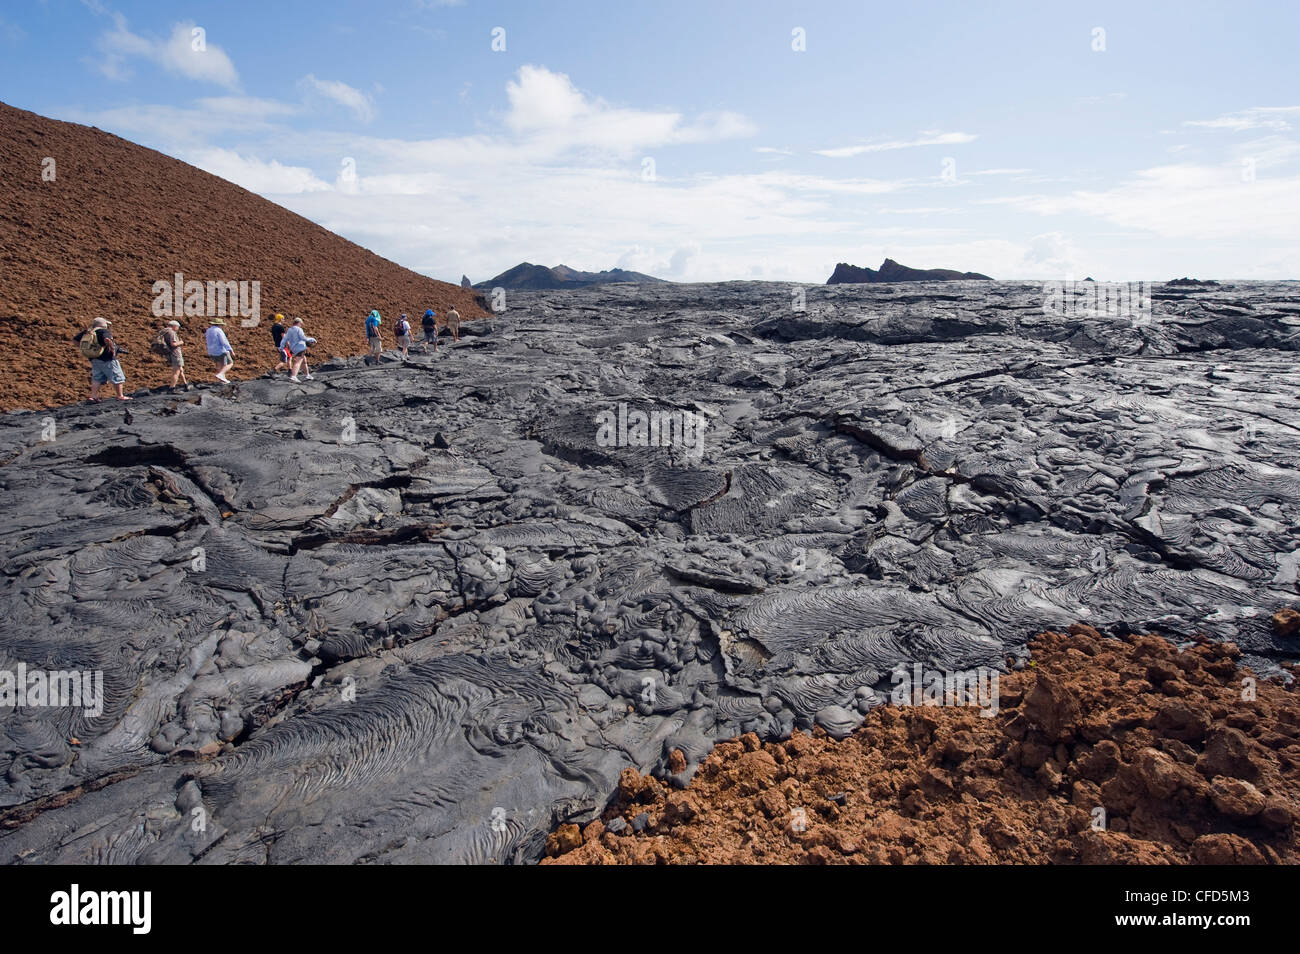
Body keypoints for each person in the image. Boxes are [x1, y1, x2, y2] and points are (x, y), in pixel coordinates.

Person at [75, 316, 131, 402]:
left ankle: (93, 396)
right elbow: (107, 339)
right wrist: (112, 348)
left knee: (97, 378)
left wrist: (87, 348)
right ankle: (120, 395)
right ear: (103, 324)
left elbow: (75, 340)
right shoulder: (103, 331)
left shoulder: (88, 331)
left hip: (94, 359)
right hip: (107, 358)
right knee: (117, 376)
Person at [281, 317, 316, 382]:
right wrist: (311, 339)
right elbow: (303, 338)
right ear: (299, 323)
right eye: (301, 324)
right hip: (300, 347)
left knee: (304, 361)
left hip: (293, 348)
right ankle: (293, 376)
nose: (301, 325)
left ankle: (307, 375)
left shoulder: (290, 330)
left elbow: (285, 339)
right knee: (298, 362)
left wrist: (281, 346)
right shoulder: (299, 329)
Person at [205, 317, 234, 383]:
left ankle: (222, 380)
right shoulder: (218, 330)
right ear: (219, 324)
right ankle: (221, 375)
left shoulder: (208, 330)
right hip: (220, 350)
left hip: (211, 351)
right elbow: (224, 341)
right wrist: (230, 349)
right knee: (230, 363)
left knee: (219, 365)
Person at [162, 319, 187, 389]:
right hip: (175, 354)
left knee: (180, 369)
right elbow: (173, 344)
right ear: (174, 326)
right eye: (178, 327)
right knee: (176, 371)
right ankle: (172, 388)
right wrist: (181, 342)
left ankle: (185, 384)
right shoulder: (172, 332)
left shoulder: (164, 332)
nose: (178, 329)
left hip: (169, 353)